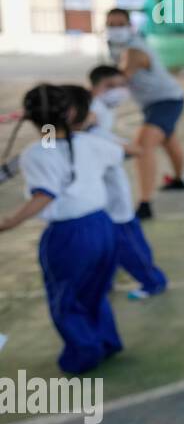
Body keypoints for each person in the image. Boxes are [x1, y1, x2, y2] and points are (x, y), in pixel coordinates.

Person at [0, 84, 124, 373]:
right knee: (95, 292)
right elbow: (124, 151)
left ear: (29, 118)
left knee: (66, 297)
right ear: (71, 112)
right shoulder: (89, 142)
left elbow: (45, 195)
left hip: (69, 236)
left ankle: (84, 352)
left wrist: (8, 223)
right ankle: (106, 341)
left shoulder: (36, 154)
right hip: (103, 227)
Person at [86, 67, 168, 300]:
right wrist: (125, 146)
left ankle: (152, 282)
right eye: (110, 86)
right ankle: (106, 279)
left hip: (110, 187)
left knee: (125, 238)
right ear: (95, 87)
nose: (118, 92)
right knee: (106, 240)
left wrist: (123, 146)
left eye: (121, 85)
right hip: (99, 186)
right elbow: (94, 134)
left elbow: (100, 138)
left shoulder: (101, 109)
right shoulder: (93, 110)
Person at [106, 8, 184, 221]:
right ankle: (178, 180)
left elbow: (120, 79)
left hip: (167, 100)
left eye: (120, 24)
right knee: (168, 140)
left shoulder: (134, 50)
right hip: (152, 103)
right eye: (111, 25)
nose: (115, 29)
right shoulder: (115, 47)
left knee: (143, 144)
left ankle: (145, 203)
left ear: (129, 26)